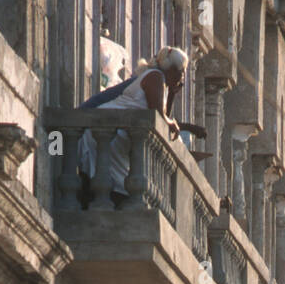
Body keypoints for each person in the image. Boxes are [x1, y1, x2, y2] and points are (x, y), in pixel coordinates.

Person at [78, 46, 207, 199]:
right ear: (171, 69)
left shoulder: (160, 80)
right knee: (117, 187)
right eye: (182, 71)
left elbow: (161, 117)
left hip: (116, 135)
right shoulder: (155, 77)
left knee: (116, 185)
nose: (183, 76)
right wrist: (175, 124)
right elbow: (158, 115)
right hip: (107, 131)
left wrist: (172, 94)